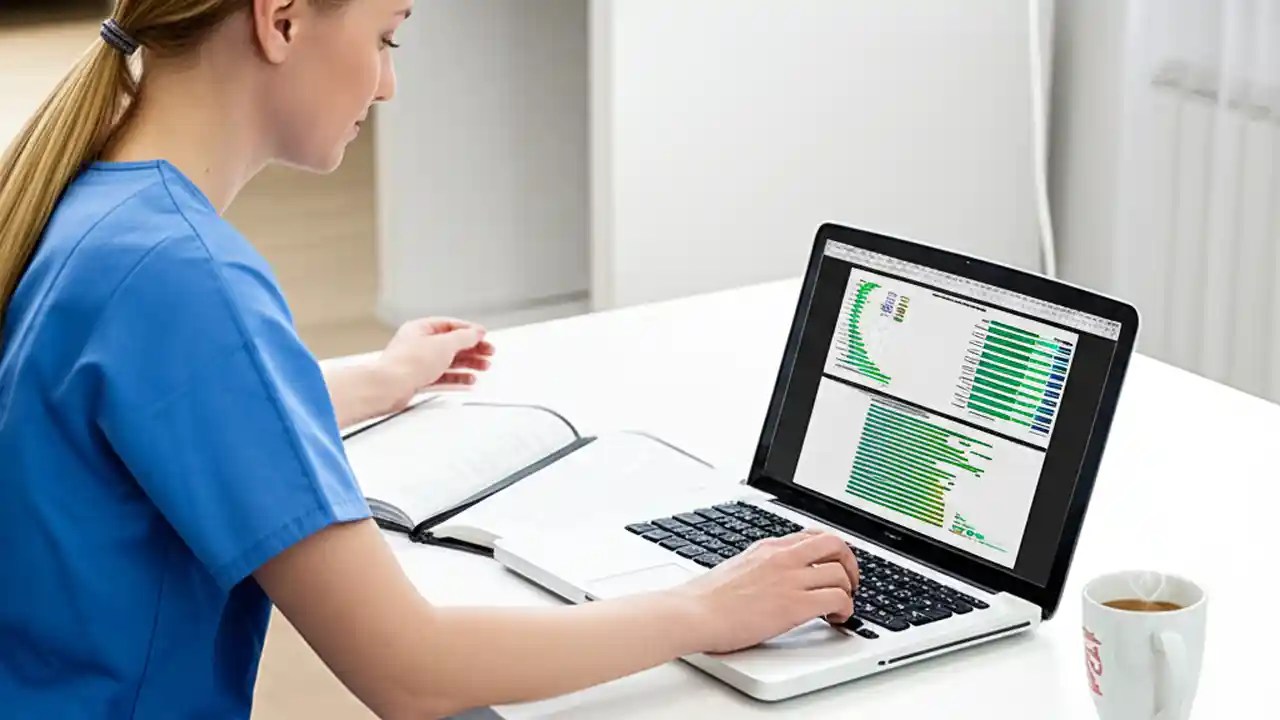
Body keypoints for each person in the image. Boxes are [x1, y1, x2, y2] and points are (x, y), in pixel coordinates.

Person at [0, 2, 860, 718]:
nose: (387, 82)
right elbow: (409, 670)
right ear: (283, 20)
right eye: (386, 38)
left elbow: (166, 413)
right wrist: (705, 608)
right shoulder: (187, 279)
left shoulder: (92, 208)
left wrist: (377, 381)